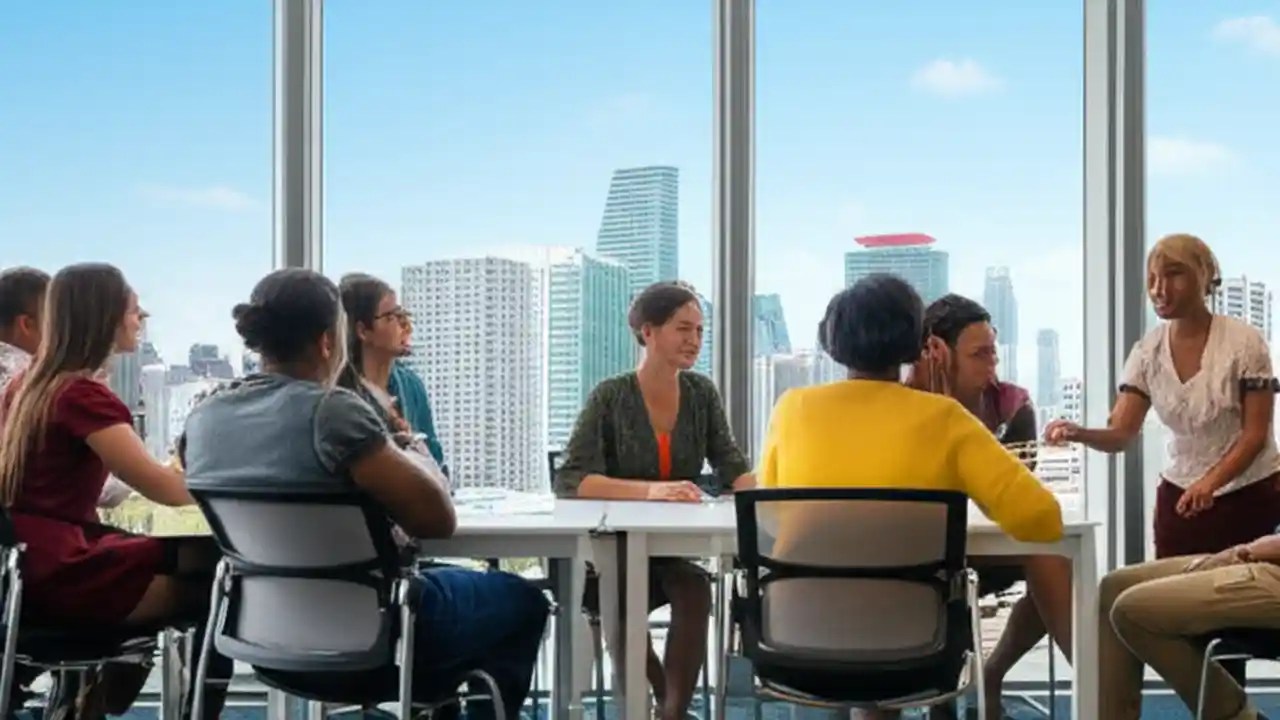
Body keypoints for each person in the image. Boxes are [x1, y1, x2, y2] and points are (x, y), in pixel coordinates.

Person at [181, 268, 548, 719]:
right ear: (328, 341)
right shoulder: (332, 413)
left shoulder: (203, 419)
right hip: (378, 641)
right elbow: (437, 520)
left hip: (260, 640)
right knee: (524, 601)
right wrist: (407, 445)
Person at [758, 275, 1063, 720]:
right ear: (917, 343)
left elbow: (772, 520)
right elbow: (1042, 519)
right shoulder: (944, 417)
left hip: (794, 637)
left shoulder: (791, 410)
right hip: (918, 643)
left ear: (832, 340)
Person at [0, 263, 229, 719]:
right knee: (225, 581)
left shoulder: (28, 386)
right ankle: (107, 709)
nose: (140, 318)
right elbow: (163, 488)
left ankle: (88, 709)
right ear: (103, 316)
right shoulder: (82, 395)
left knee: (205, 559)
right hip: (65, 574)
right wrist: (225, 475)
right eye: (133, 309)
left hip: (25, 569)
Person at [556, 280, 753, 720]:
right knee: (622, 598)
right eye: (683, 328)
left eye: (700, 331)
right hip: (609, 552)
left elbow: (732, 467)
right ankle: (665, 708)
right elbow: (572, 480)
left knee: (695, 588)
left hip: (668, 550)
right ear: (648, 332)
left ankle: (671, 713)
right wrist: (650, 490)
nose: (694, 340)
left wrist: (782, 488)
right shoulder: (610, 395)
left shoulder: (702, 394)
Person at [909, 294, 1073, 718]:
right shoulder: (899, 401)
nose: (992, 367)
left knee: (1053, 560)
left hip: (987, 542)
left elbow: (1014, 491)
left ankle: (1001, 674)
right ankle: (940, 700)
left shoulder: (1012, 405)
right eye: (979, 355)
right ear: (935, 352)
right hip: (913, 549)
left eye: (993, 354)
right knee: (942, 569)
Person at [1097, 536, 1280, 720]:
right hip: (1267, 558)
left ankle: (1241, 716)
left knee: (1131, 611)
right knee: (1114, 587)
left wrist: (1243, 552)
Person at [0, 266, 135, 511]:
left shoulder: (25, 384)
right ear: (27, 324)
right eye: (57, 318)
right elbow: (104, 491)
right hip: (56, 539)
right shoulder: (49, 387)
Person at [337, 272, 446, 472]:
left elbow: (437, 460)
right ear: (362, 331)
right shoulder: (339, 394)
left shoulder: (411, 385)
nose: (405, 325)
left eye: (403, 314)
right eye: (392, 317)